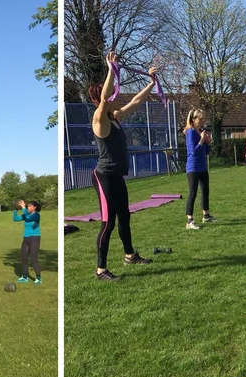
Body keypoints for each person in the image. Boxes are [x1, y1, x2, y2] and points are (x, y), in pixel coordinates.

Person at [89, 51, 156, 279]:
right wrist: (111, 69)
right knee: (108, 223)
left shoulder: (115, 116)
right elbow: (105, 97)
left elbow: (136, 102)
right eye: (114, 93)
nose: (118, 96)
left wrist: (151, 83)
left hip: (116, 176)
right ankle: (100, 269)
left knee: (124, 216)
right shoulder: (100, 119)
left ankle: (130, 256)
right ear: (107, 98)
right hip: (104, 176)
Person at [183, 108, 217, 229]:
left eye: (203, 118)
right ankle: (189, 220)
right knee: (193, 193)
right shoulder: (190, 132)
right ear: (193, 119)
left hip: (202, 167)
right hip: (193, 167)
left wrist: (207, 142)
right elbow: (193, 152)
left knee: (205, 191)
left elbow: (205, 152)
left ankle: (206, 215)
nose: (202, 121)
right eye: (200, 118)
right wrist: (202, 140)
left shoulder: (200, 132)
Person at [12, 198, 42, 283]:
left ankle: (38, 278)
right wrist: (15, 209)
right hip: (26, 238)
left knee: (33, 258)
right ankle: (25, 276)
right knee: (24, 257)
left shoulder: (36, 215)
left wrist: (23, 208)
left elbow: (29, 217)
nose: (28, 207)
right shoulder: (26, 214)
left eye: (29, 206)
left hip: (34, 238)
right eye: (27, 206)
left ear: (34, 207)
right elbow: (15, 219)